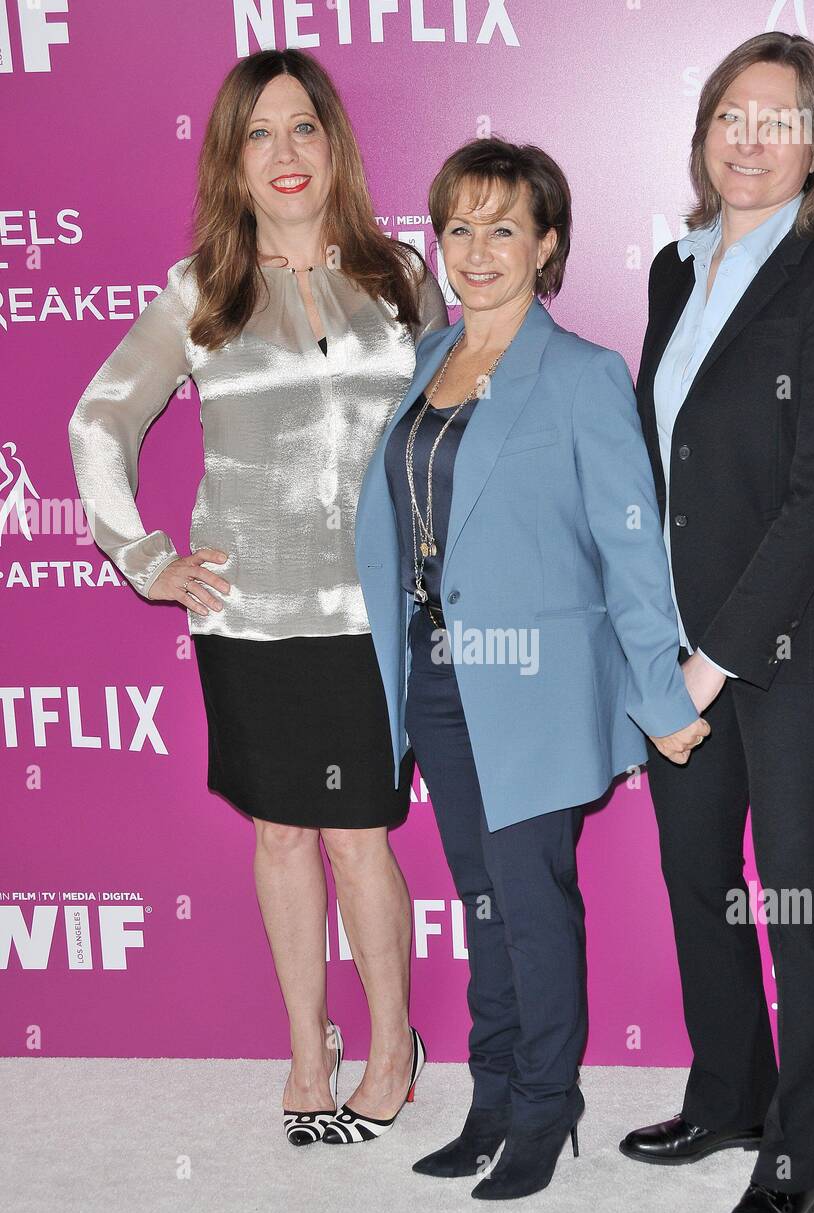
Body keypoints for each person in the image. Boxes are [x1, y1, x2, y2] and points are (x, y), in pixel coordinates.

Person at [68, 49, 447, 1149]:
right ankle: (306, 1049)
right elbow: (100, 420)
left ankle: (393, 1047)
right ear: (232, 162)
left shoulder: (399, 278)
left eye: (303, 128)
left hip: (372, 617)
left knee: (359, 838)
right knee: (283, 833)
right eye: (259, 134)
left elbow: (454, 428)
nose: (285, 153)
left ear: (335, 145)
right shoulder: (202, 289)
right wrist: (144, 556)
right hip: (250, 617)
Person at [349, 137, 709, 1195]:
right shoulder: (429, 359)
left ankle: (547, 1107)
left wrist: (658, 691)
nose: (476, 249)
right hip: (437, 677)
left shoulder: (584, 374)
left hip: (537, 686)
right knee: (482, 899)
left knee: (530, 900)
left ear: (547, 245)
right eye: (458, 227)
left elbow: (631, 552)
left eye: (503, 227)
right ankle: (493, 1098)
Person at [623, 31, 814, 1213]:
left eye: (779, 120)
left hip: (799, 651)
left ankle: (798, 1155)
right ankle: (727, 1096)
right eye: (732, 114)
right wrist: (649, 638)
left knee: (793, 898)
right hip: (683, 641)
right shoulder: (672, 272)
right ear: (702, 131)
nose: (749, 139)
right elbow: (665, 476)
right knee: (699, 880)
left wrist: (712, 657)